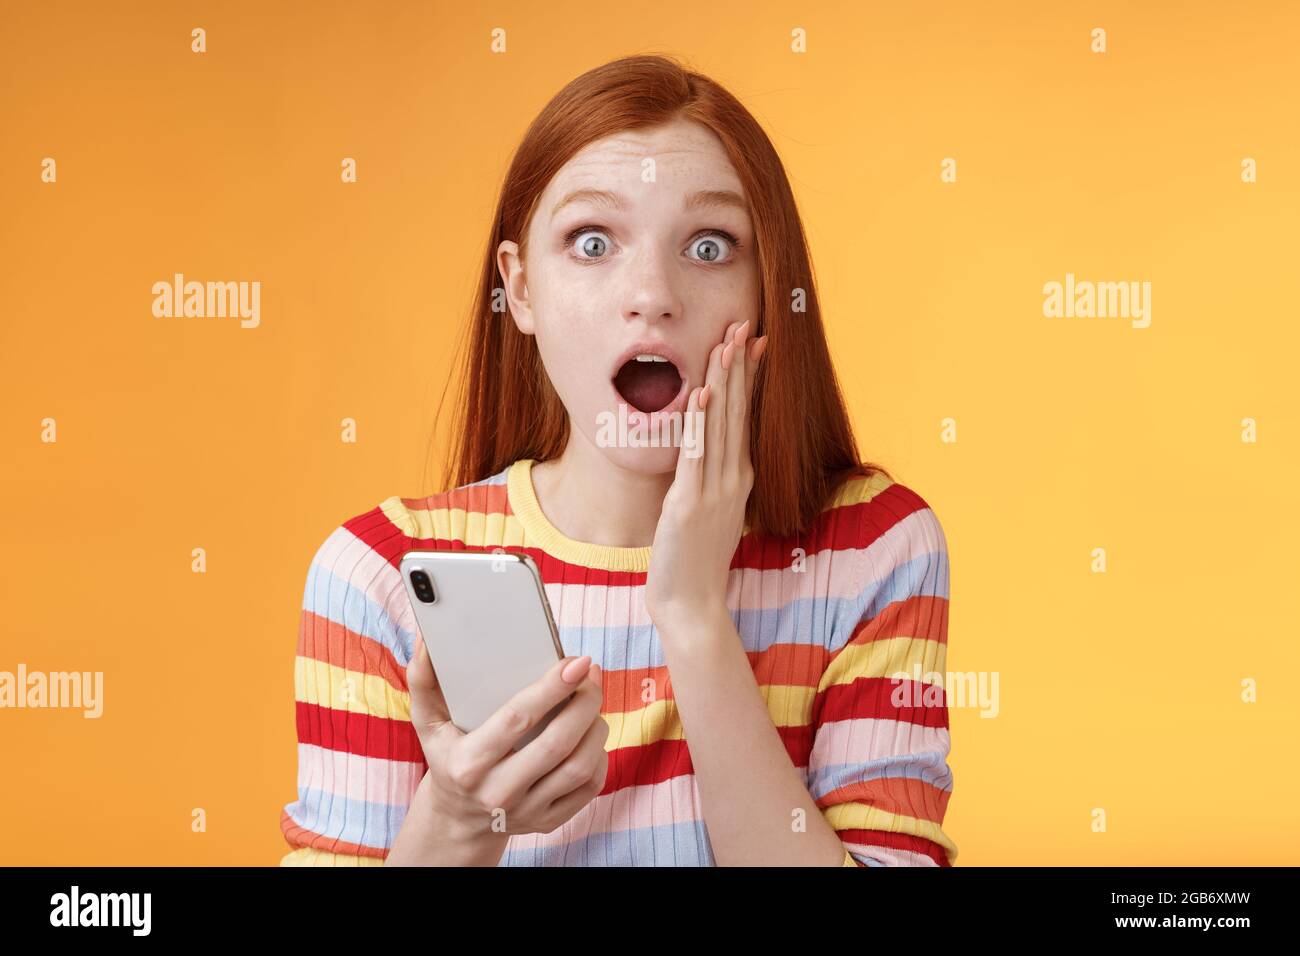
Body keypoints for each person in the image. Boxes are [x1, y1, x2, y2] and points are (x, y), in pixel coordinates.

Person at [279, 53, 957, 867]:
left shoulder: (873, 550)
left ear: (767, 291)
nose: (653, 293)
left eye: (709, 246)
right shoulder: (380, 576)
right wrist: (459, 819)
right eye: (592, 241)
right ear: (520, 290)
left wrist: (694, 615)